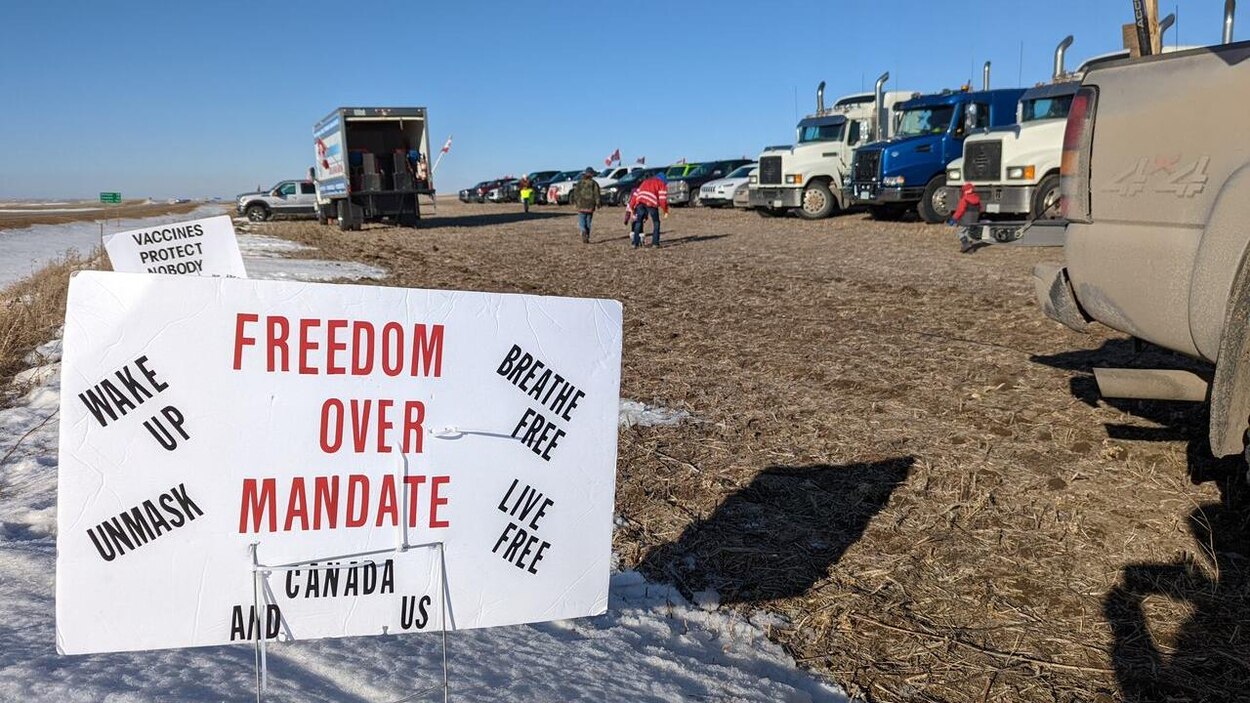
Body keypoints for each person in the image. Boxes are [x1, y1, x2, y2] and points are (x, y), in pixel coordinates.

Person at [628, 172, 669, 248]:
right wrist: (665, 210)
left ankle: (635, 243)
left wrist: (632, 206)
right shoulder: (661, 184)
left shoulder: (645, 181)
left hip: (640, 201)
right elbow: (662, 199)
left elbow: (636, 194)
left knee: (638, 222)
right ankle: (655, 243)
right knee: (656, 222)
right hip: (651, 202)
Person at [949, 182, 982, 253]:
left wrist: (954, 219)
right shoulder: (977, 199)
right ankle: (970, 249)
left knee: (960, 233)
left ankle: (966, 244)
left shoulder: (964, 199)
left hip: (965, 220)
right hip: (974, 220)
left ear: (966, 191)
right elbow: (980, 209)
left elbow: (960, 211)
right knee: (968, 234)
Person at [570, 168, 601, 243]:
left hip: (581, 204)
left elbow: (576, 193)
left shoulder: (580, 183)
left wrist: (575, 202)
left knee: (581, 221)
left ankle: (583, 231)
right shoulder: (594, 183)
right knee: (588, 222)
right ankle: (587, 235)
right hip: (590, 205)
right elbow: (597, 194)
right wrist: (598, 203)